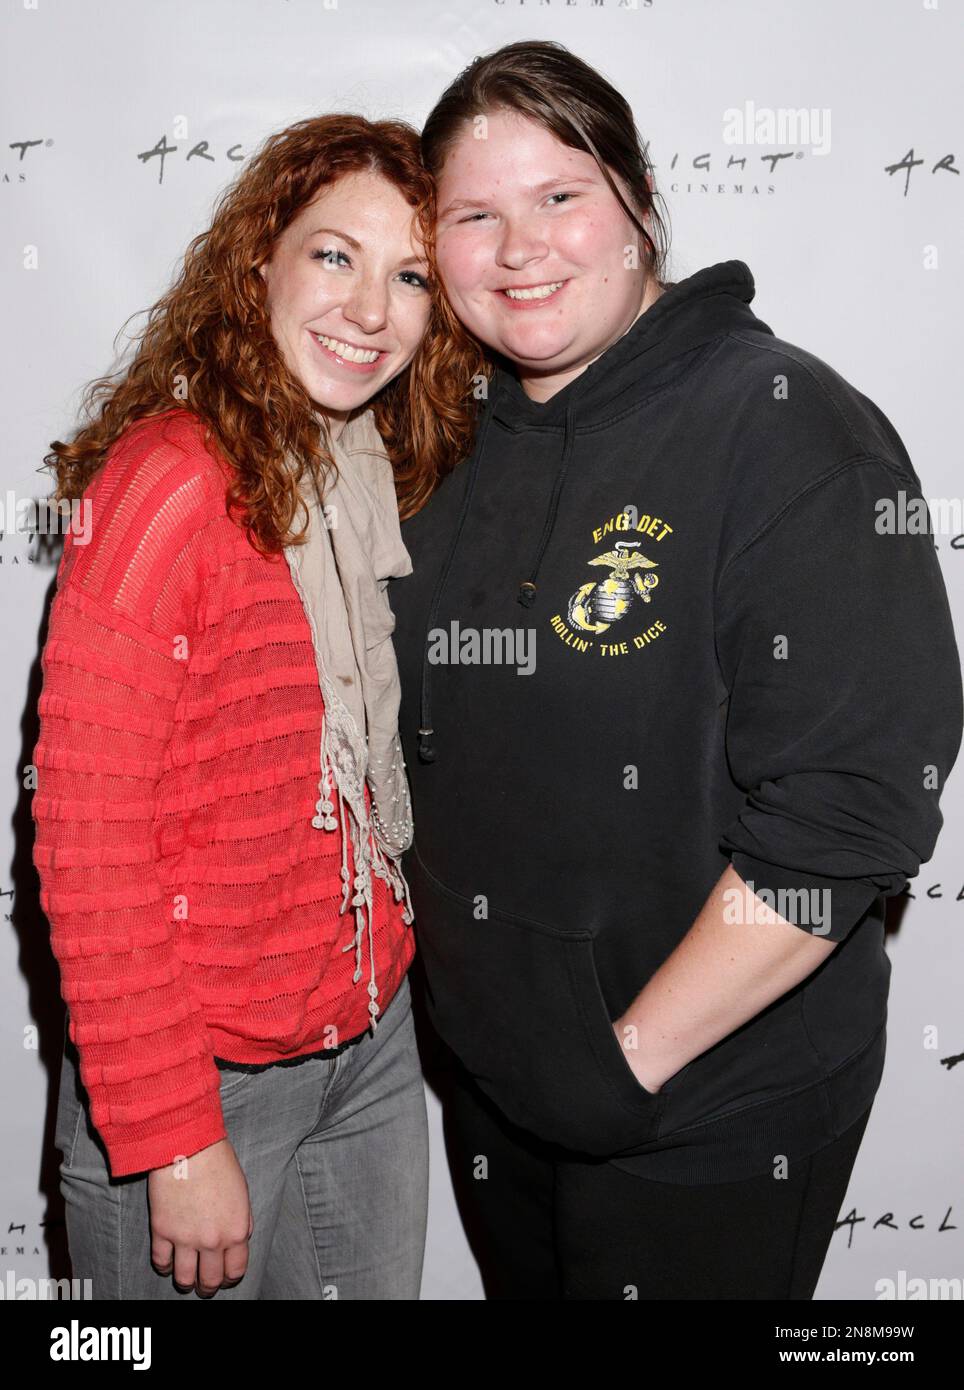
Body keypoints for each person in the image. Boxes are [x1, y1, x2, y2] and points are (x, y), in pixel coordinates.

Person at [389, 41, 964, 1300]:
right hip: (499, 1094)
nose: (519, 246)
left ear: (640, 200)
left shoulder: (790, 431)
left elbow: (848, 823)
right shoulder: (439, 441)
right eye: (473, 215)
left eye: (561, 196)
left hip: (707, 1116)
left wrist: (623, 1061)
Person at [32, 113, 475, 1300]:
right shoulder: (168, 483)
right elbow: (87, 839)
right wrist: (175, 1135)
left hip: (367, 1040)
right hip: (198, 1075)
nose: (370, 311)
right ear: (258, 265)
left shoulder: (359, 468)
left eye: (410, 277)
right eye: (335, 256)